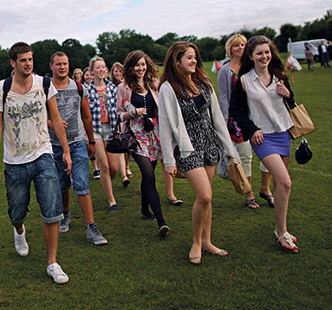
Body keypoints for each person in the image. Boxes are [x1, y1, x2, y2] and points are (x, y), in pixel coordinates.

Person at [0, 42, 72, 284]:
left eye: (30, 59)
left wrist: (65, 151)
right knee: (17, 211)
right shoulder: (0, 89)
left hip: (43, 154)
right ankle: (19, 230)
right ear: (13, 63)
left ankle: (53, 263)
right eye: (23, 60)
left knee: (51, 208)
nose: (28, 63)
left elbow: (55, 119)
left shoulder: (44, 84)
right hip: (14, 161)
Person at [158, 42, 239, 265]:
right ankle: (195, 241)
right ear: (177, 61)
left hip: (209, 143)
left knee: (207, 198)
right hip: (187, 147)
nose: (194, 61)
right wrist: (169, 160)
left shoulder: (203, 83)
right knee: (204, 196)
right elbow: (164, 125)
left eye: (195, 58)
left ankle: (207, 241)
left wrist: (229, 150)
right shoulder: (168, 87)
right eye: (189, 58)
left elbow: (217, 119)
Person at [229, 35, 299, 254]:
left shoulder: (279, 75)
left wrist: (289, 95)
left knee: (281, 185)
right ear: (251, 56)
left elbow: (290, 103)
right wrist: (252, 129)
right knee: (286, 183)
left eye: (267, 52)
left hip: (283, 133)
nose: (264, 56)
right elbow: (234, 110)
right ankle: (282, 232)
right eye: (259, 53)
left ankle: (280, 228)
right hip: (262, 137)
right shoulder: (244, 81)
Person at [47, 51, 107, 245]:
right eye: (58, 64)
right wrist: (51, 123)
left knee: (82, 183)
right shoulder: (45, 89)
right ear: (51, 66)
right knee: (62, 184)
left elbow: (87, 116)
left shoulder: (79, 87)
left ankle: (91, 227)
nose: (62, 67)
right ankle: (65, 214)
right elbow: (38, 115)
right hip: (54, 145)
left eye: (65, 63)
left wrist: (91, 141)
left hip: (78, 142)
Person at [116, 50, 170, 235]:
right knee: (148, 174)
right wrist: (133, 112)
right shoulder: (123, 87)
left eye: (143, 64)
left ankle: (144, 208)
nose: (140, 68)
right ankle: (161, 222)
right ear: (130, 67)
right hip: (136, 135)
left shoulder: (154, 84)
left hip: (154, 133)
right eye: (137, 65)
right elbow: (119, 116)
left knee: (150, 174)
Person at [217, 34, 260, 209]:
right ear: (230, 49)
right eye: (236, 45)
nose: (240, 47)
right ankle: (249, 194)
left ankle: (266, 189)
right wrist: (224, 123)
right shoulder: (225, 70)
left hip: (257, 115)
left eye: (243, 44)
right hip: (237, 120)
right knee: (245, 156)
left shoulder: (252, 66)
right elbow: (225, 98)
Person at [86, 56, 120, 210]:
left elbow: (119, 108)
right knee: (104, 166)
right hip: (96, 130)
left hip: (111, 129)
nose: (101, 70)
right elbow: (83, 113)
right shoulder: (87, 89)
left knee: (114, 168)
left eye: (103, 67)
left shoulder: (113, 88)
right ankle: (111, 200)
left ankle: (106, 183)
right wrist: (86, 134)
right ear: (92, 71)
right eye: (98, 67)